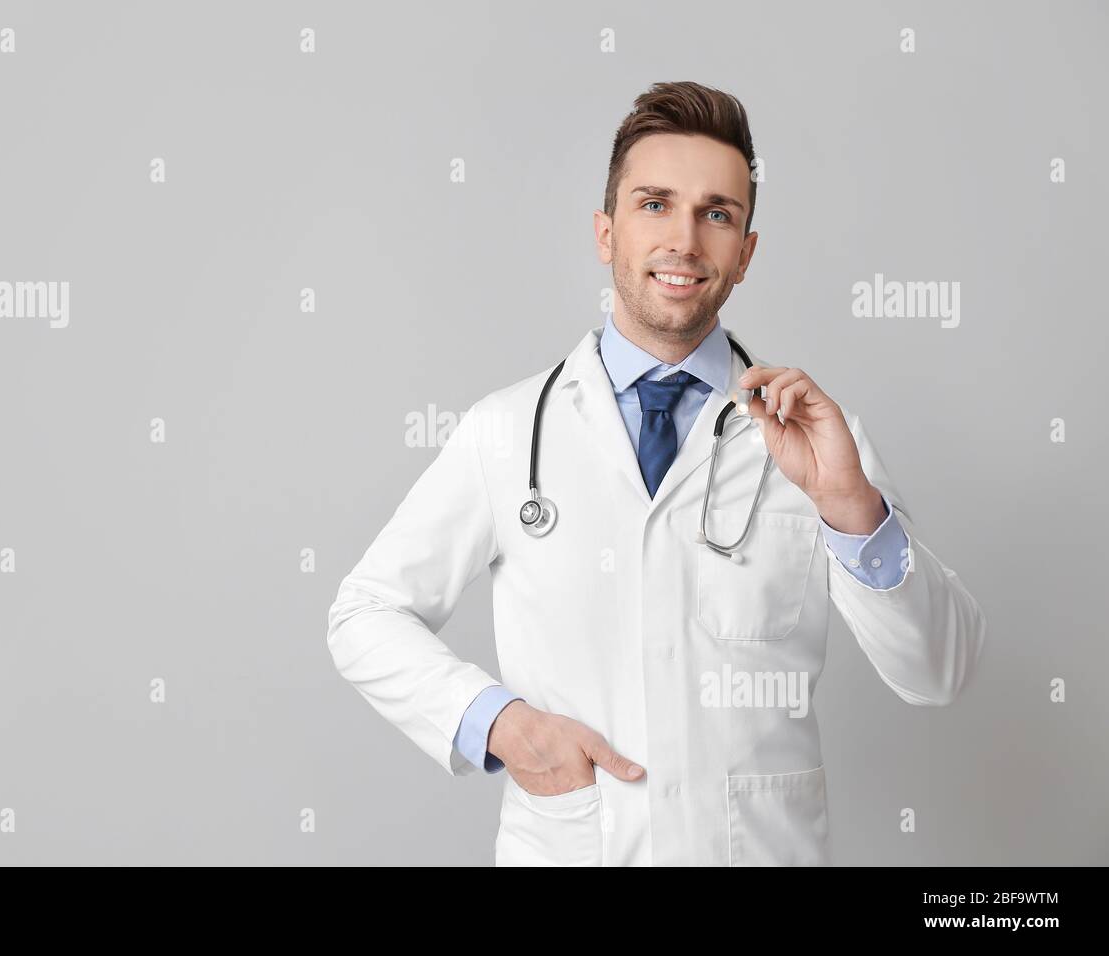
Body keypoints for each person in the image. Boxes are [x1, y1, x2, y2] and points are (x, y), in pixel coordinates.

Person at [326, 81, 986, 866]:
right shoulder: (507, 432)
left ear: (745, 251)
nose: (685, 239)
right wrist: (498, 722)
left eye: (717, 213)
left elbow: (939, 672)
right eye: (653, 205)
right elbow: (364, 614)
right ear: (606, 233)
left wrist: (848, 506)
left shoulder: (820, 444)